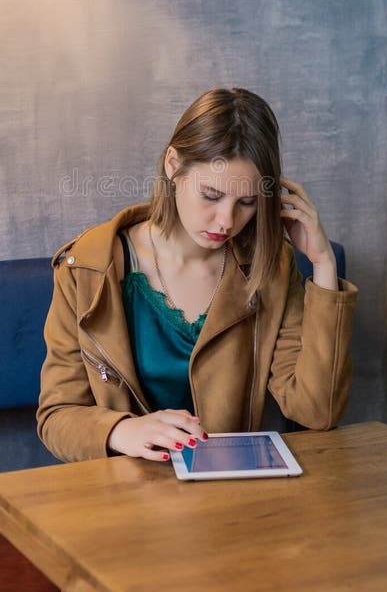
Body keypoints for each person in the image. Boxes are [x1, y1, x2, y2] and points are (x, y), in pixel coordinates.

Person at [37, 87, 358, 463]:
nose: (226, 221)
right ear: (173, 165)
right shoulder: (87, 267)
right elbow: (57, 416)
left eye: (247, 202)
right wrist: (123, 430)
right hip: (120, 496)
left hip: (227, 496)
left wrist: (322, 264)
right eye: (210, 194)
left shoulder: (270, 268)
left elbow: (317, 412)